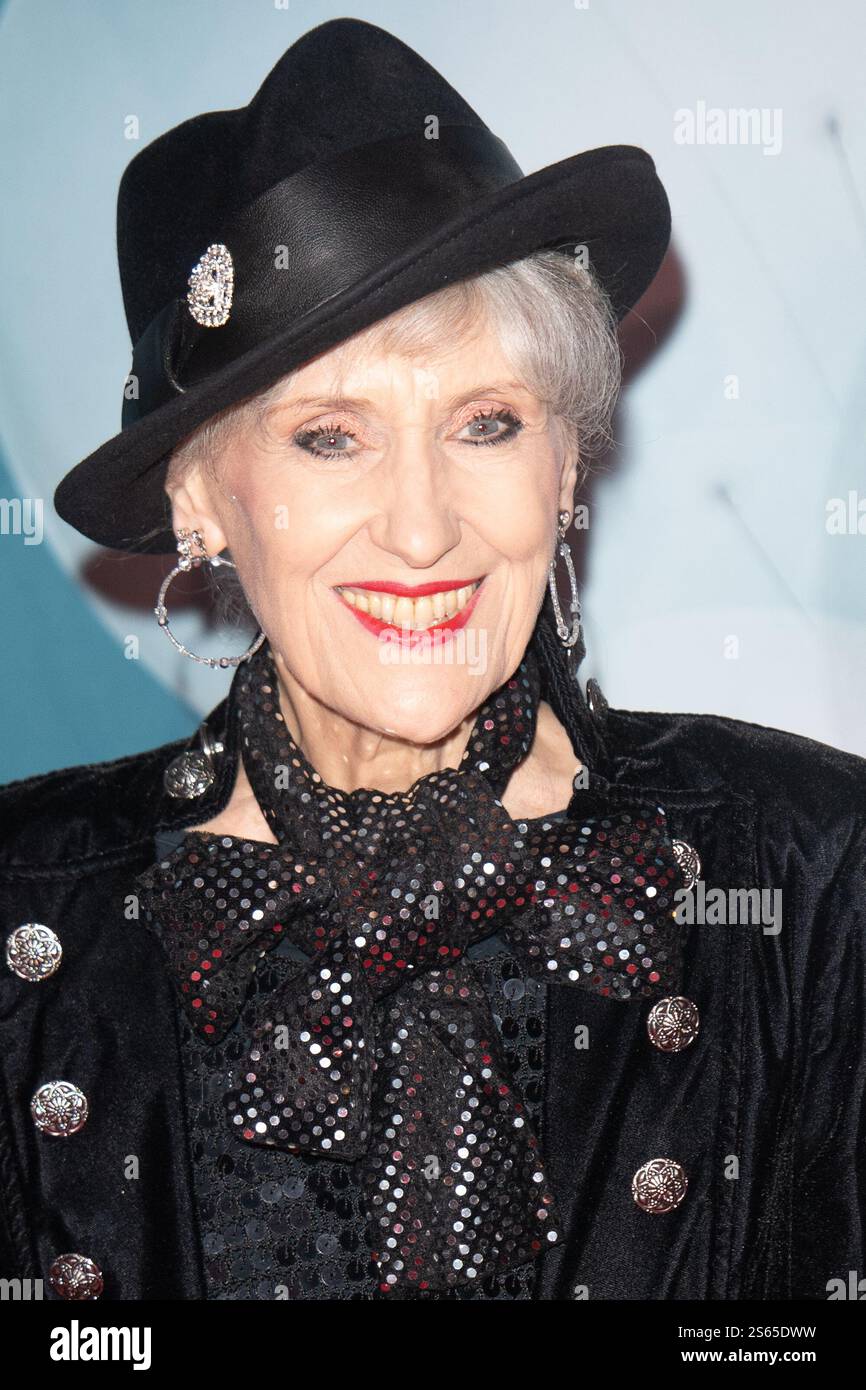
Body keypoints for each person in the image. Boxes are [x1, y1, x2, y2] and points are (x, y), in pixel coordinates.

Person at [1, 17, 864, 1304]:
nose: (420, 529)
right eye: (328, 437)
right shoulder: (27, 909)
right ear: (199, 497)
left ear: (563, 464)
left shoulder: (804, 867)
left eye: (486, 423)